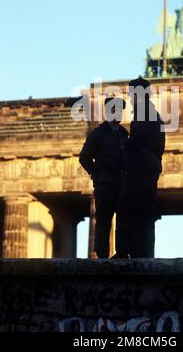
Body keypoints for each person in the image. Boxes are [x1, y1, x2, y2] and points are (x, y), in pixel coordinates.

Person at [113, 77, 165, 258]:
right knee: (145, 212)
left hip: (140, 166)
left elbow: (140, 138)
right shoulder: (154, 113)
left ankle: (123, 251)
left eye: (131, 93)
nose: (130, 97)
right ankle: (144, 254)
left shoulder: (143, 111)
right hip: (152, 166)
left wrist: (124, 144)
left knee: (125, 206)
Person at [79, 97, 128, 258]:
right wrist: (95, 173)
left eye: (120, 110)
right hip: (105, 183)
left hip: (121, 182)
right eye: (115, 110)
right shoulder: (98, 133)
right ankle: (102, 255)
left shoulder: (123, 133)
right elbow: (84, 157)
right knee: (104, 219)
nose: (119, 113)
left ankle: (121, 251)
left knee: (123, 217)